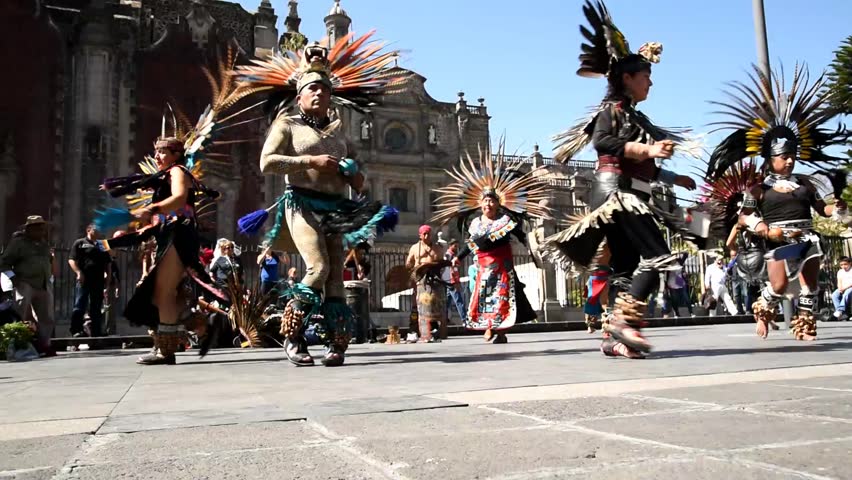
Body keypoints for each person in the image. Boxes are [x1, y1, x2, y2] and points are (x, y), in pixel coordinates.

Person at [542, 0, 701, 358]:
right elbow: (604, 144)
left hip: (632, 192)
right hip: (617, 195)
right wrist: (647, 151)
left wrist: (675, 178)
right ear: (626, 78)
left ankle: (613, 340)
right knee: (660, 258)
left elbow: (642, 163)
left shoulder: (635, 118)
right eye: (645, 76)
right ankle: (623, 324)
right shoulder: (610, 113)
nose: (650, 82)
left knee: (628, 268)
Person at [236, 35, 403, 367]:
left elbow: (361, 182)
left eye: (324, 90)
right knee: (319, 267)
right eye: (312, 89)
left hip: (337, 210)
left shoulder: (341, 134)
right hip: (302, 204)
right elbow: (266, 162)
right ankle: (293, 334)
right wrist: (309, 162)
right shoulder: (288, 125)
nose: (319, 93)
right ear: (299, 97)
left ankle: (337, 342)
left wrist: (354, 173)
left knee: (336, 278)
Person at [703, 64, 849, 341]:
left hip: (807, 237)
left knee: (811, 286)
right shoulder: (758, 189)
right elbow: (745, 216)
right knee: (779, 286)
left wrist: (837, 210)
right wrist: (763, 229)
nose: (790, 159)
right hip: (777, 240)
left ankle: (806, 328)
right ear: (771, 159)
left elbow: (821, 209)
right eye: (784, 156)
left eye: (793, 154)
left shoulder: (805, 183)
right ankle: (763, 310)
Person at [434, 146, 551, 344]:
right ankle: (489, 326)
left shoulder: (506, 220)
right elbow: (471, 243)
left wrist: (534, 246)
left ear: (498, 203)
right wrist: (458, 257)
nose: (487, 204)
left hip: (502, 266)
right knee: (484, 297)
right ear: (480, 203)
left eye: (491, 201)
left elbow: (522, 235)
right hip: (484, 267)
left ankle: (502, 331)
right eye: (485, 201)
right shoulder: (476, 223)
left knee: (503, 297)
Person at [0, 215, 56, 356]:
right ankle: (19, 343)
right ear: (29, 229)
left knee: (46, 317)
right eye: (38, 228)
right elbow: (4, 262)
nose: (41, 231)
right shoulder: (18, 243)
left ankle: (44, 345)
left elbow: (49, 261)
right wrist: (13, 279)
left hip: (43, 283)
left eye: (42, 228)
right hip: (24, 282)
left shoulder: (44, 244)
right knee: (20, 313)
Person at [68, 224, 111, 338]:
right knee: (80, 305)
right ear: (88, 230)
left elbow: (108, 263)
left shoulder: (102, 244)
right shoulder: (80, 243)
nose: (98, 231)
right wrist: (78, 272)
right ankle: (76, 330)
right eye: (96, 229)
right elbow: (71, 260)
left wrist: (108, 279)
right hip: (84, 279)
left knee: (96, 306)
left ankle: (96, 331)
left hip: (98, 280)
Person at [405, 225, 445, 342]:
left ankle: (435, 331)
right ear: (420, 235)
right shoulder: (414, 248)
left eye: (428, 233)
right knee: (419, 305)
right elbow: (408, 263)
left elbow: (441, 262)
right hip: (420, 280)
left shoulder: (437, 248)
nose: (427, 236)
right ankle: (417, 331)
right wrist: (415, 270)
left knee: (435, 305)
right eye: (424, 234)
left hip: (434, 280)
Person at [443, 239, 467, 325]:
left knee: (447, 302)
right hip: (451, 281)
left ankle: (444, 319)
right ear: (450, 245)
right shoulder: (449, 255)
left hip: (450, 281)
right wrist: (455, 281)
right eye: (455, 246)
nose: (457, 248)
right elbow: (451, 270)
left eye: (457, 246)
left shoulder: (452, 255)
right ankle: (464, 319)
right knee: (459, 300)